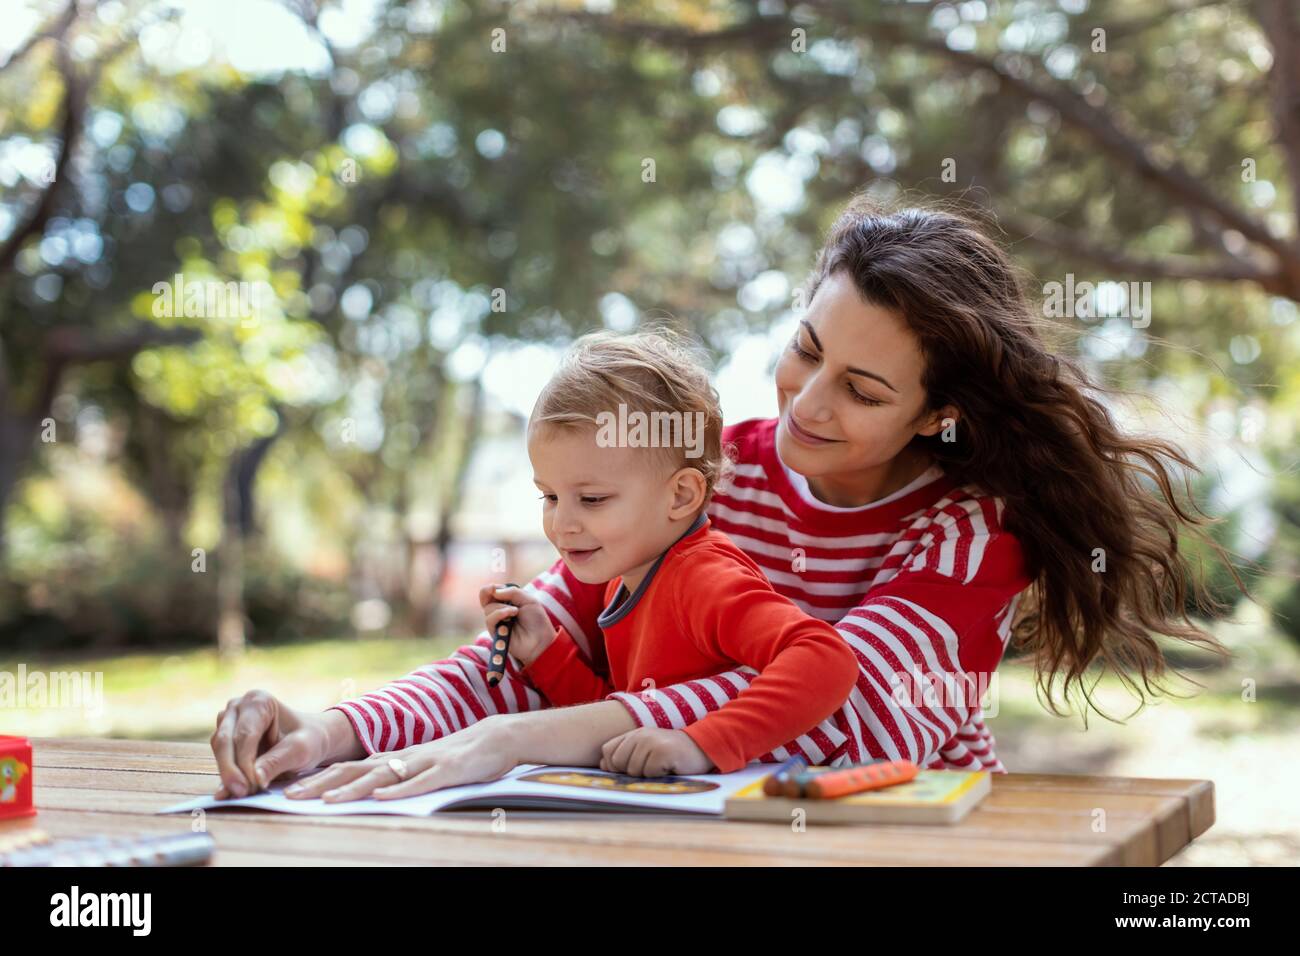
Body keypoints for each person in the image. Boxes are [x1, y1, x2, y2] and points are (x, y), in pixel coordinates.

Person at [210, 196, 1236, 803]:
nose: (807, 401)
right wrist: (339, 730)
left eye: (863, 388)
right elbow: (537, 652)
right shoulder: (708, 475)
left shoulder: (966, 533)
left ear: (938, 415)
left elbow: (850, 712)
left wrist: (536, 736)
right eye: (805, 349)